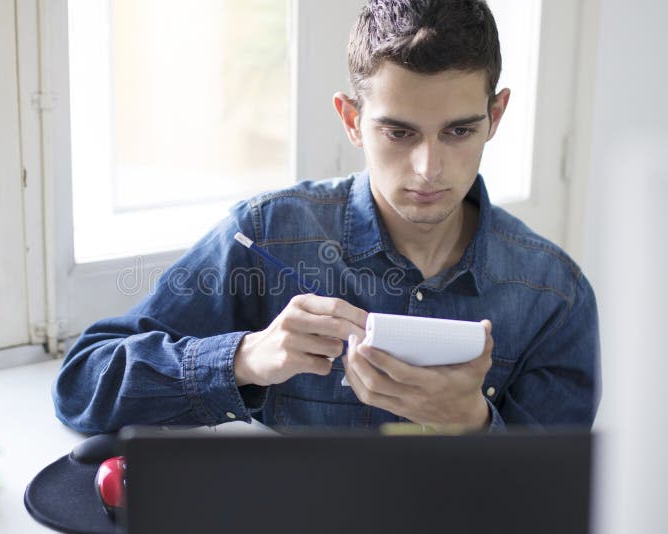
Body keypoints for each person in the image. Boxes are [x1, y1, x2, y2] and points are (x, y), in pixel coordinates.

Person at [52, 0, 600, 434]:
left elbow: (554, 504)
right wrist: (244, 358)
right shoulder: (265, 234)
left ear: (495, 115)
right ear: (351, 120)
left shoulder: (556, 295)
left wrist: (474, 426)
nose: (428, 168)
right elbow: (80, 384)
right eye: (399, 132)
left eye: (458, 131)